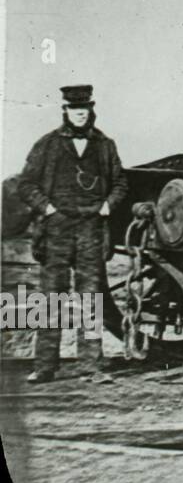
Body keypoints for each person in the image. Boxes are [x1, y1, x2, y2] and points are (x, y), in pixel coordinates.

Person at [15, 85, 127, 383]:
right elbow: (26, 184)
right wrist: (48, 209)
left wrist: (107, 207)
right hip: (57, 230)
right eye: (74, 109)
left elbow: (121, 184)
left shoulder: (105, 146)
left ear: (91, 109)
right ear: (64, 110)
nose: (80, 114)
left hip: (91, 229)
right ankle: (45, 366)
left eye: (84, 109)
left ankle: (91, 366)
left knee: (90, 298)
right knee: (51, 297)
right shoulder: (48, 145)